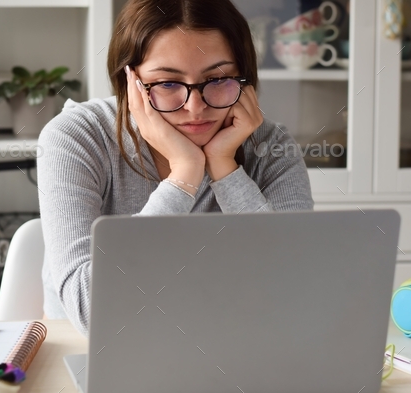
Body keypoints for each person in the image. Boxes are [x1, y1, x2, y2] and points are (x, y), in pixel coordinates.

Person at [37, 0, 314, 335]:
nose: (196, 108)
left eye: (217, 78)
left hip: (228, 344)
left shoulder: (270, 145)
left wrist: (225, 168)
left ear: (245, 81)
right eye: (168, 84)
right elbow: (90, 311)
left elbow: (297, 290)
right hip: (95, 352)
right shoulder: (76, 137)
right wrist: (184, 174)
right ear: (130, 83)